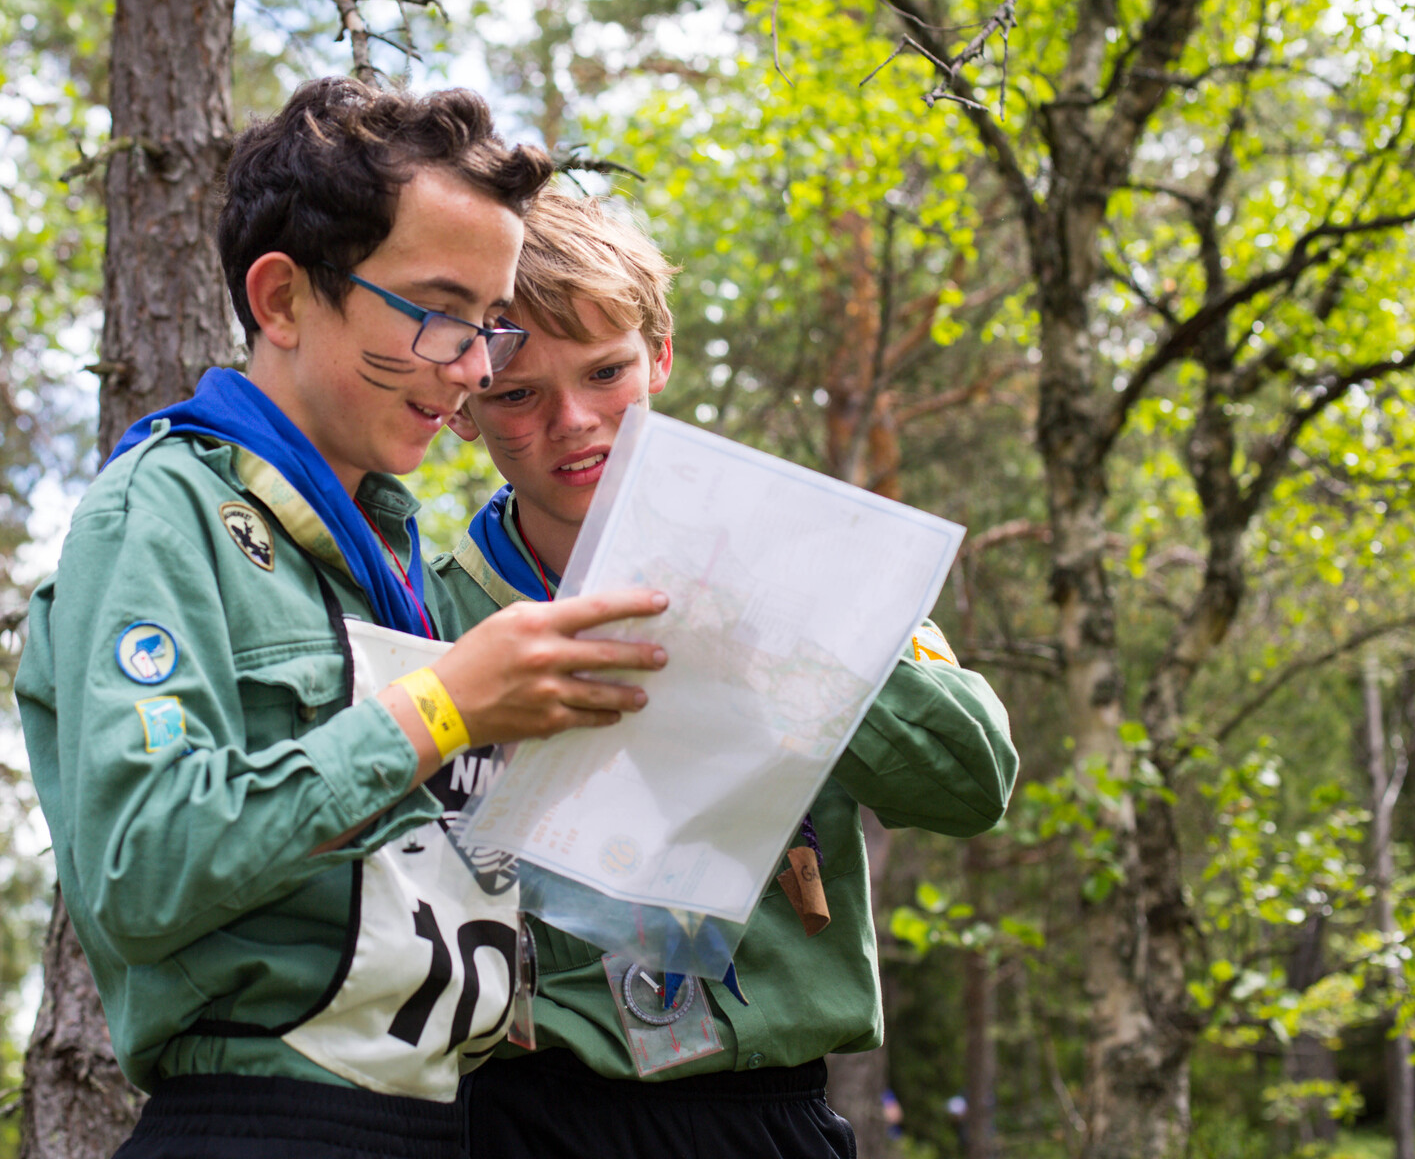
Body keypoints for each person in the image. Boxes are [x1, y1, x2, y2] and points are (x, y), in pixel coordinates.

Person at [14, 81, 672, 1159]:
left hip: (439, 1121)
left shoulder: (387, 542)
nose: (470, 370)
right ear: (281, 300)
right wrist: (443, 707)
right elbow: (141, 865)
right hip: (267, 1119)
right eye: (440, 315)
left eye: (487, 330)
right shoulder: (165, 511)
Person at [430, 187, 1020, 1159]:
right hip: (512, 1112)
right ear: (462, 405)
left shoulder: (809, 562)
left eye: (607, 370)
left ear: (658, 356)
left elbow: (970, 782)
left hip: (762, 1111)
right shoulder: (432, 613)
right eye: (517, 393)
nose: (576, 421)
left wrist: (769, 628)